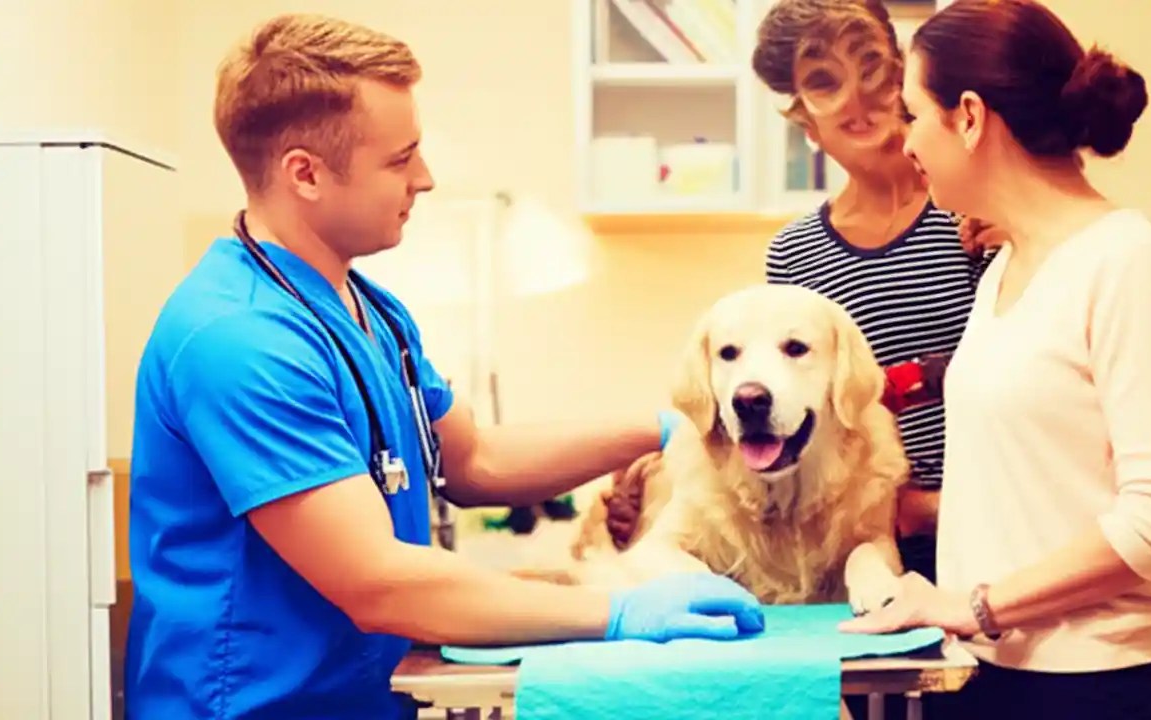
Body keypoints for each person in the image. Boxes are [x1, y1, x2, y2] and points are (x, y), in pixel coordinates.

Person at [122, 13, 763, 720]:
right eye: (399, 160)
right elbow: (379, 583)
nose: (424, 179)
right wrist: (615, 611)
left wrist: (664, 428)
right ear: (304, 173)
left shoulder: (370, 308)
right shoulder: (238, 339)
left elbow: (476, 458)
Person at [839, 2, 1151, 719]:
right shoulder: (1007, 266)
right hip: (986, 673)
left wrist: (973, 605)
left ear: (969, 117)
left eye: (914, 114)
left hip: (1097, 688)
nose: (904, 141)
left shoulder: (1130, 265)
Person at [751, 0, 997, 587]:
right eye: (824, 83)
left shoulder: (974, 208)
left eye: (871, 69)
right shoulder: (792, 254)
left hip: (993, 529)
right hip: (865, 550)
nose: (857, 99)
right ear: (804, 121)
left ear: (904, 74)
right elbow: (796, 414)